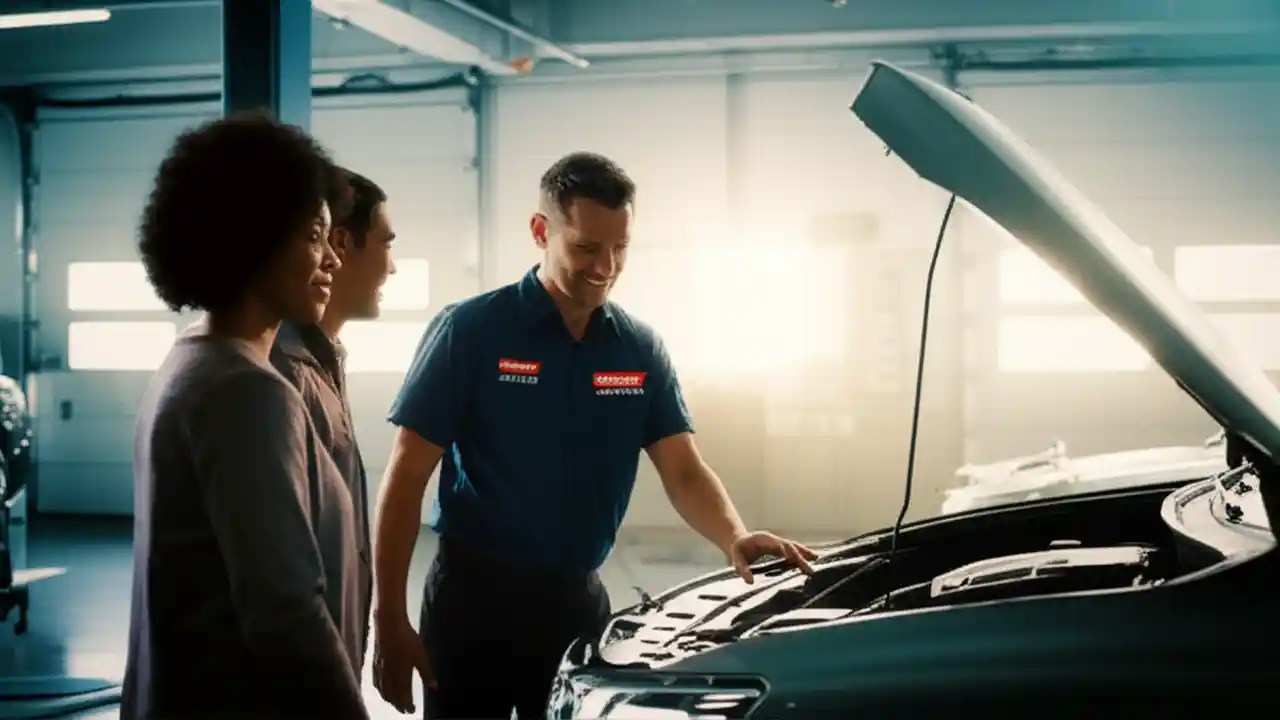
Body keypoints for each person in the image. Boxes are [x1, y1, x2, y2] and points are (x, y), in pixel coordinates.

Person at [370, 151, 819, 718]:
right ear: (541, 231)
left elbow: (683, 470)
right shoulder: (472, 332)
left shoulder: (638, 348)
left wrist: (734, 536)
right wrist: (389, 617)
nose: (605, 266)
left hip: (573, 605)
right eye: (586, 247)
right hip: (472, 604)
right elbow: (407, 476)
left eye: (620, 248)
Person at [121, 112, 369, 720]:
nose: (332, 260)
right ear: (253, 237)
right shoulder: (246, 392)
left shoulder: (191, 362)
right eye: (314, 235)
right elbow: (286, 611)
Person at [271, 167, 398, 672]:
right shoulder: (279, 374)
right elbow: (280, 577)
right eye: (386, 244)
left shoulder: (323, 359)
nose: (393, 267)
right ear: (340, 243)